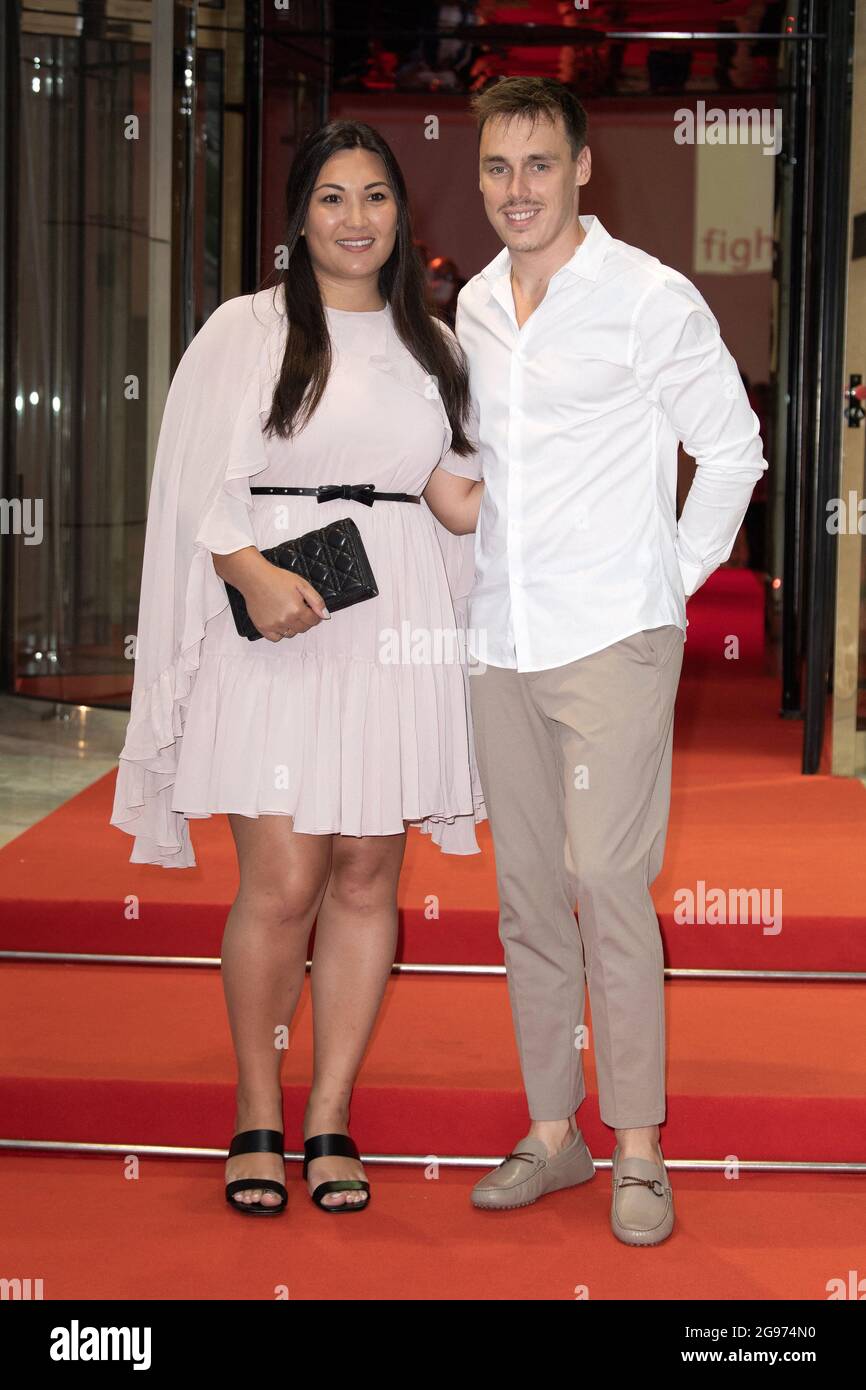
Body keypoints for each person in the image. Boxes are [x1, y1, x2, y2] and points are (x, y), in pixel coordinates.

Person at [111, 119, 486, 1216]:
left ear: (399, 213)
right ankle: (254, 1111)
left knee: (368, 872)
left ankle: (329, 1114)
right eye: (332, 196)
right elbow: (186, 480)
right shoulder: (247, 328)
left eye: (374, 195)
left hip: (393, 619)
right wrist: (243, 570)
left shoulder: (438, 347)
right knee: (281, 881)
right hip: (274, 612)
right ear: (299, 214)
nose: (355, 217)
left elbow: (455, 494)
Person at [439, 77, 768, 1244]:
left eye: (537, 165)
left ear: (582, 167)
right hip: (501, 641)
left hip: (610, 641)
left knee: (605, 889)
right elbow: (479, 467)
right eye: (494, 168)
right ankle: (551, 1134)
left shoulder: (646, 298)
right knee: (527, 898)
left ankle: (636, 1145)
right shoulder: (472, 306)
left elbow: (731, 450)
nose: (515, 190)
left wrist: (663, 584)